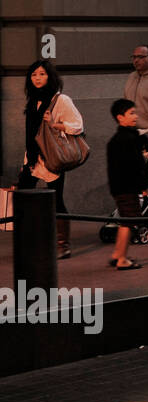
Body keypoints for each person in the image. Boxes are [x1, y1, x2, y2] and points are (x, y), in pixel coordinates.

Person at [19, 59, 84, 259]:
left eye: (42, 74)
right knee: (23, 196)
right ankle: (32, 239)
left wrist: (55, 125)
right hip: (32, 157)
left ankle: (63, 245)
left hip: (52, 156)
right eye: (34, 74)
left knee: (56, 199)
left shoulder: (60, 99)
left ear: (50, 76)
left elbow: (78, 125)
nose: (37, 78)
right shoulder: (33, 100)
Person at [106, 99, 147, 270]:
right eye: (131, 113)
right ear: (120, 117)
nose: (135, 116)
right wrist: (144, 185)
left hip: (118, 187)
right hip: (128, 187)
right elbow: (136, 165)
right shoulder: (130, 138)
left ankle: (117, 254)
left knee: (125, 220)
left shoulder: (116, 139)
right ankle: (122, 258)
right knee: (128, 222)